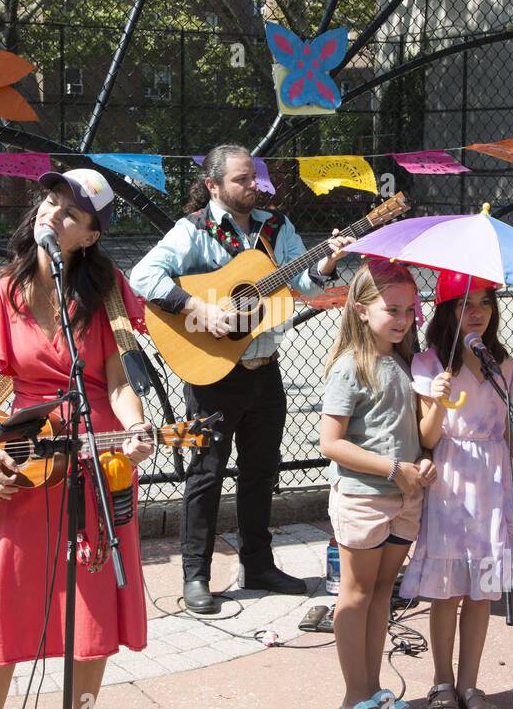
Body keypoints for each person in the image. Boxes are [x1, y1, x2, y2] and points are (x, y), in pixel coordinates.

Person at [0, 168, 154, 709]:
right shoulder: (1, 293)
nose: (51, 214)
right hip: (24, 462)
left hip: (98, 464)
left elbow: (118, 384)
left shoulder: (109, 293)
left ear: (89, 235)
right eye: (50, 201)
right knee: (8, 601)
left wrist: (137, 429)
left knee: (93, 604)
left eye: (69, 212)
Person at [129, 144, 352, 613]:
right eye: (241, 180)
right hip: (211, 375)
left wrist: (328, 260)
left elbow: (307, 285)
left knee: (260, 472)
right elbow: (143, 276)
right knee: (206, 476)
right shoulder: (194, 230)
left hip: (264, 371)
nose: (253, 186)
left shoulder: (276, 227)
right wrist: (196, 306)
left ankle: (259, 563)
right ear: (213, 186)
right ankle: (196, 576)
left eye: (254, 178)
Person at [404, 272, 513, 709]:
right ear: (446, 311)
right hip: (452, 480)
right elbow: (427, 436)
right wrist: (436, 400)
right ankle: (441, 681)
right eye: (464, 304)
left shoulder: (501, 363)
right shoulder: (429, 361)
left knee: (483, 591)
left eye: (484, 302)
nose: (477, 312)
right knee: (449, 589)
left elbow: (508, 433)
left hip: (493, 480)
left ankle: (471, 683)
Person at [319, 260, 436, 709]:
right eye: (392, 308)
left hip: (405, 498)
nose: (404, 318)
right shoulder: (351, 366)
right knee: (357, 594)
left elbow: (412, 434)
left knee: (383, 595)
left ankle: (372, 688)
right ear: (362, 309)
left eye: (410, 309)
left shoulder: (407, 363)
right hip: (365, 498)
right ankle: (354, 695)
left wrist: (423, 460)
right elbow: (331, 442)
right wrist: (393, 469)